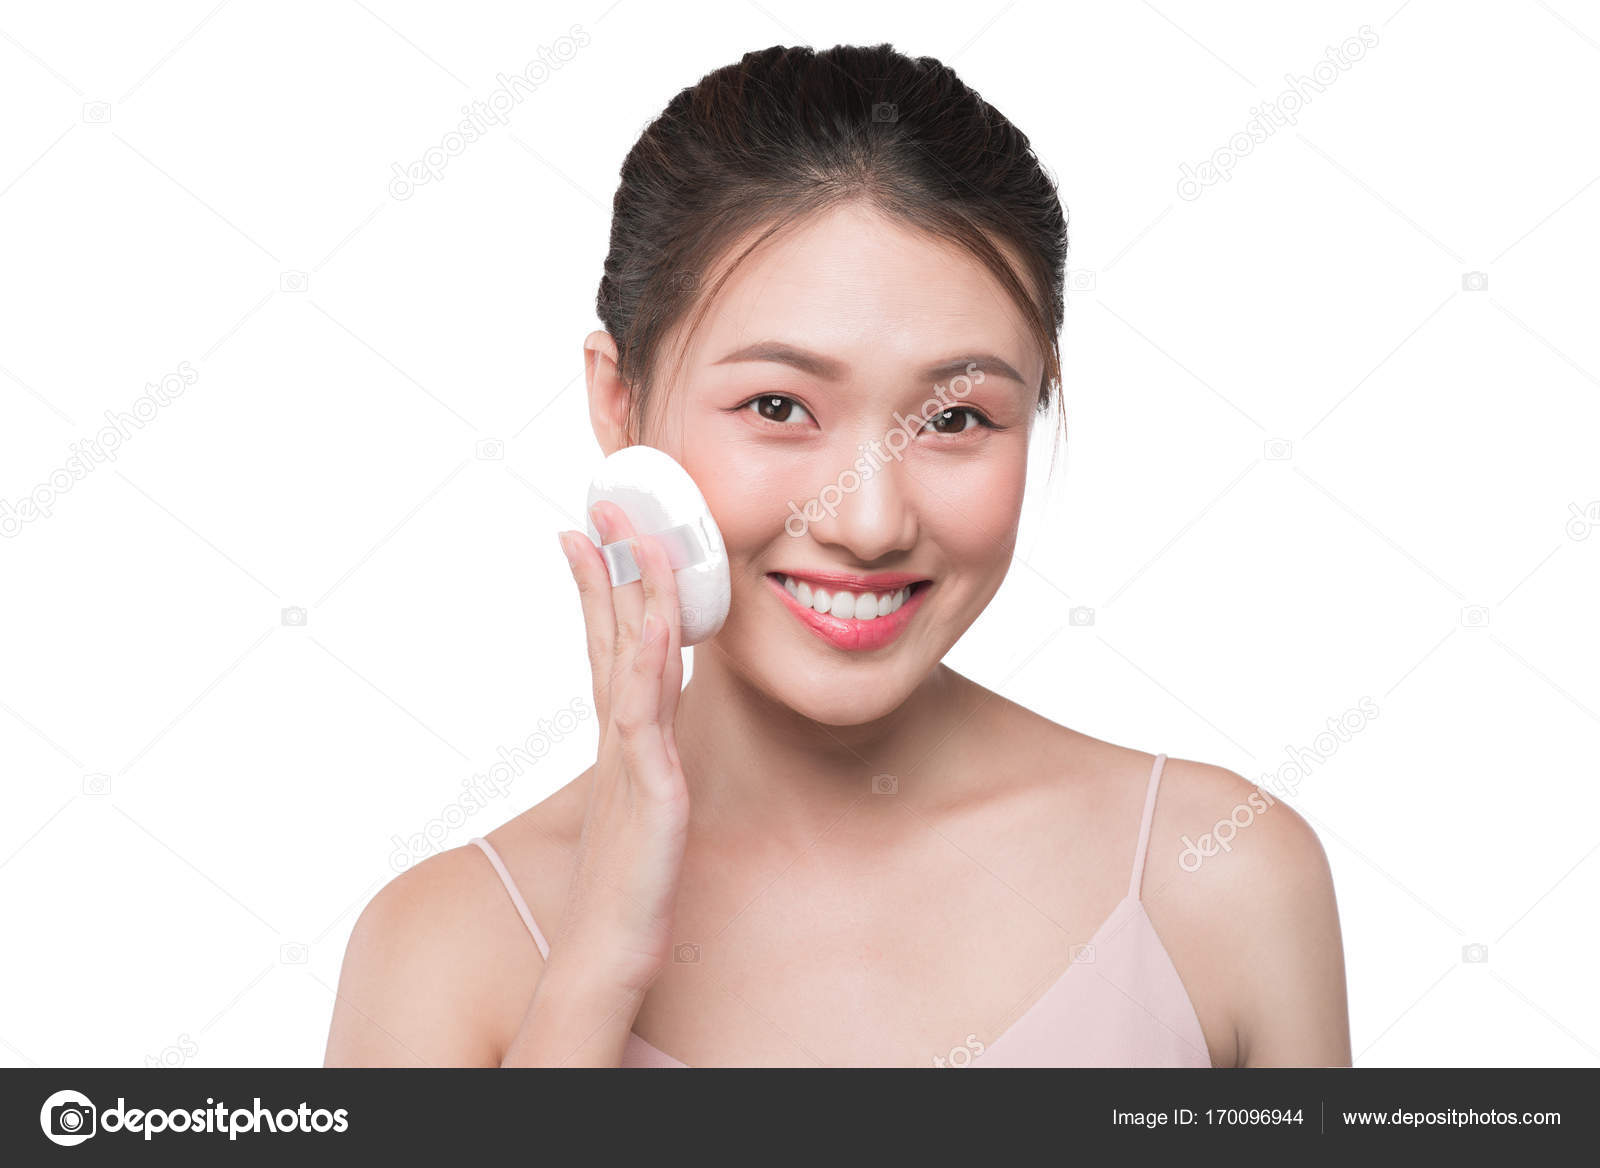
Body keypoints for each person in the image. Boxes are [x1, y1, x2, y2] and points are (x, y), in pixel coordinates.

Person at [325, 42, 1349, 1068]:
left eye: (954, 417)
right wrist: (596, 960)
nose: (867, 521)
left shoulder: (1220, 878)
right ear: (618, 400)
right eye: (778, 406)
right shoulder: (444, 949)